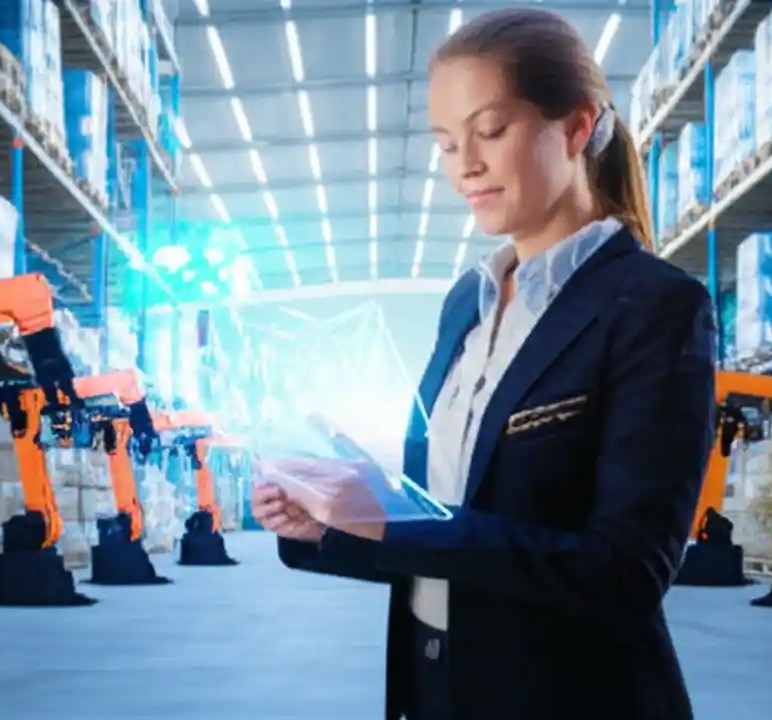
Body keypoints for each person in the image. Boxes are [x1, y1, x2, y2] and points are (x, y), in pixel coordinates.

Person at [251, 7, 716, 720]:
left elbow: (626, 573)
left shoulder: (653, 307)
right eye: (445, 144)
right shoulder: (463, 309)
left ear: (577, 126)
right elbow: (449, 530)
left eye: (490, 131)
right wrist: (330, 528)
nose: (464, 165)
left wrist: (394, 522)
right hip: (435, 688)